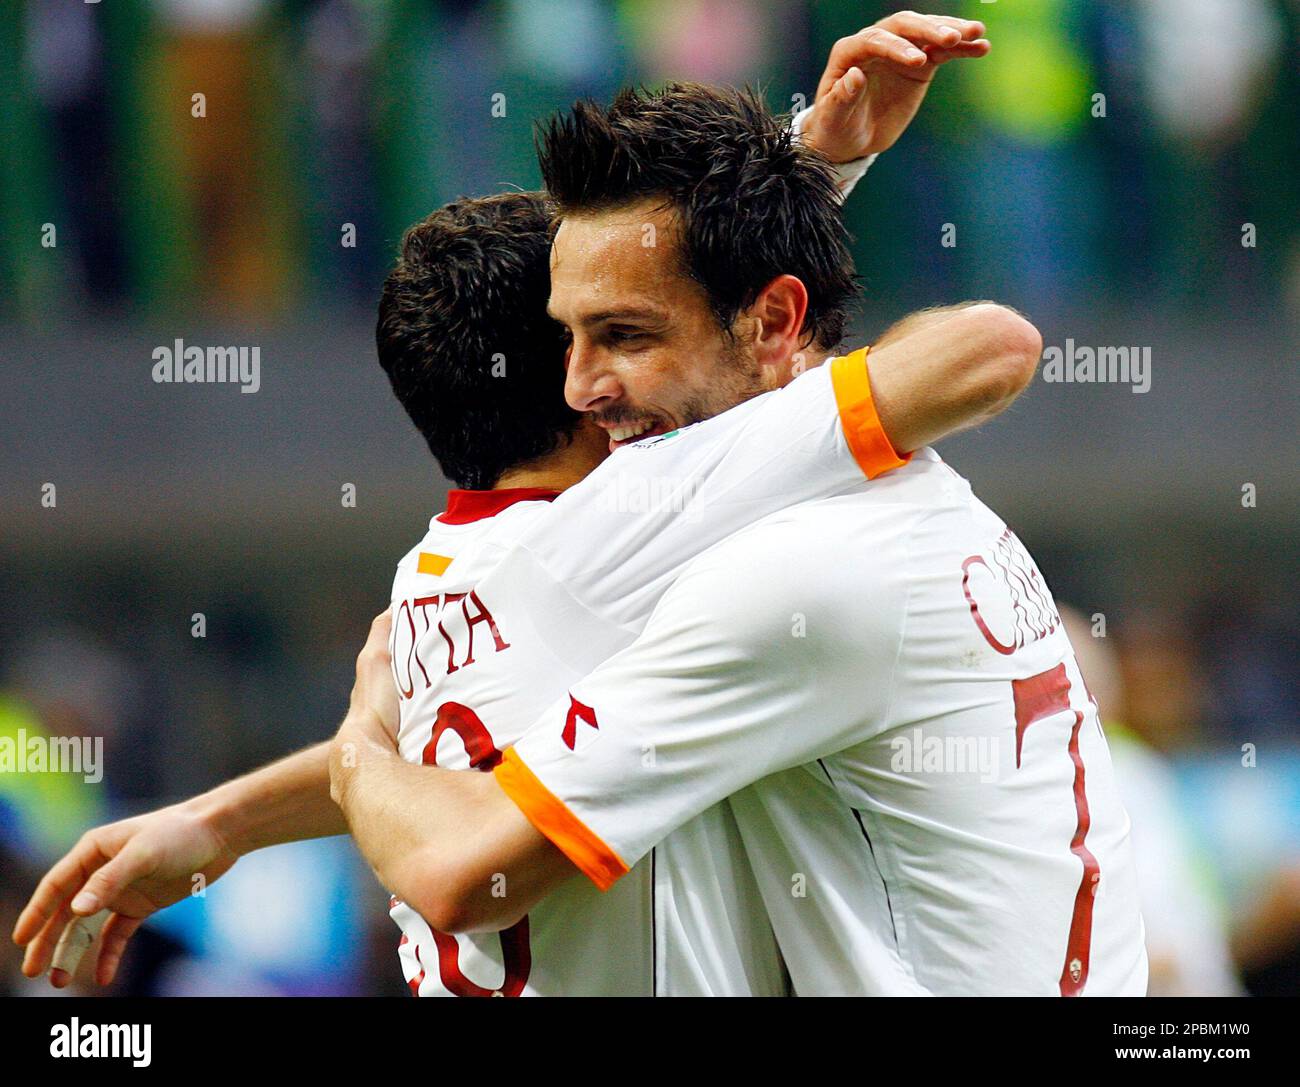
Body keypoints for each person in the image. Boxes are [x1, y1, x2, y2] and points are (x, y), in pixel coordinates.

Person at [15, 12, 1017, 994]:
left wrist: (226, 816)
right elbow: (981, 352)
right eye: (592, 330)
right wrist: (805, 173)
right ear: (580, 380)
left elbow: (459, 751)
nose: (606, 358)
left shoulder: (427, 582)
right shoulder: (644, 518)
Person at [331, 76, 1145, 995]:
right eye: (569, 339)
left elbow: (461, 867)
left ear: (775, 319)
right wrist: (804, 170)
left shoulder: (774, 582)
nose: (580, 387)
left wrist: (361, 744)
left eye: (624, 335)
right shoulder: (878, 495)